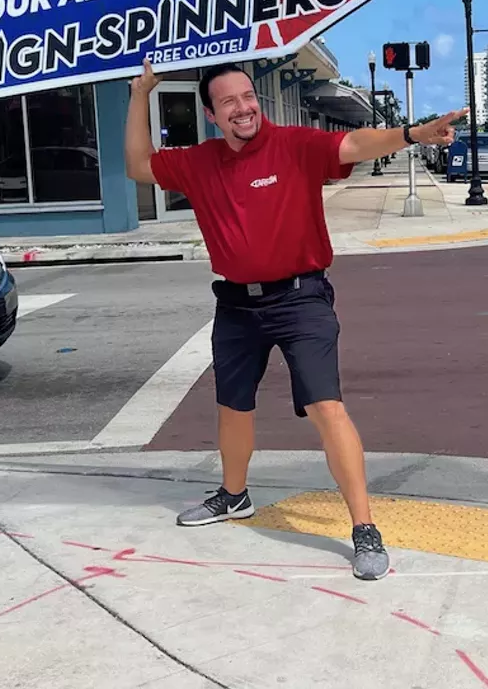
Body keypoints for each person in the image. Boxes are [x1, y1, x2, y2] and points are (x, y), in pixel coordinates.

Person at [124, 59, 466, 580]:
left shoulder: (294, 145)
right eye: (230, 102)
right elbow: (138, 166)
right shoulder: (199, 162)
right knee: (232, 404)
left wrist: (412, 134)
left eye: (248, 95)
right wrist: (139, 95)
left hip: (301, 299)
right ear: (213, 115)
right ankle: (234, 496)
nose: (244, 107)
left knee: (327, 406)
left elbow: (354, 146)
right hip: (236, 305)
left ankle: (364, 528)